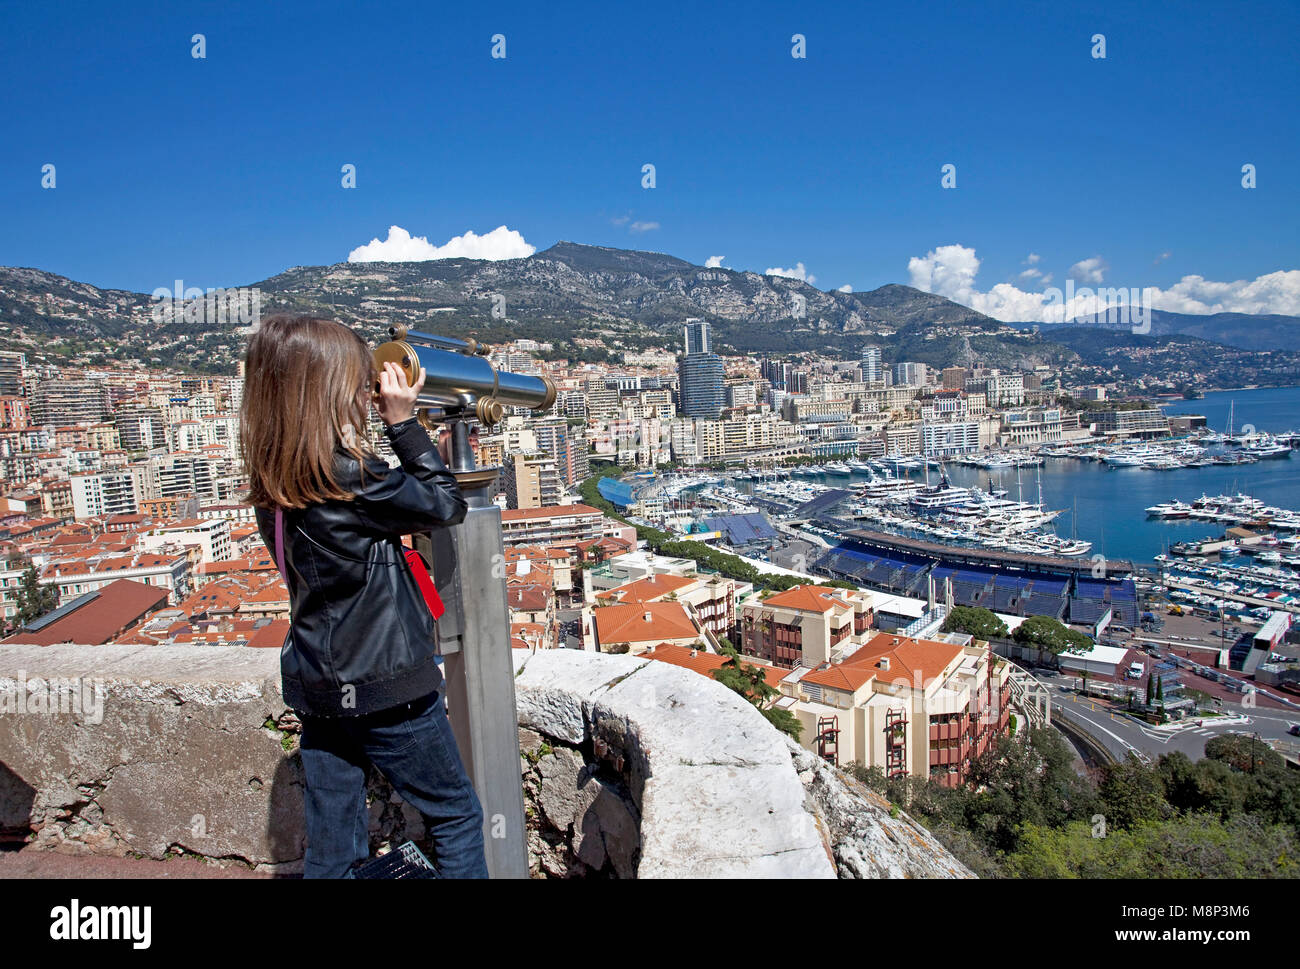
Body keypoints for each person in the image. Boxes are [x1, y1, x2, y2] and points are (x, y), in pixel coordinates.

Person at [239, 313, 487, 878]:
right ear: (329, 389)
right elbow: (445, 503)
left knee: (334, 841)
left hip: (318, 684)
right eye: (356, 378)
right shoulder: (349, 478)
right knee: (455, 815)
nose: (365, 388)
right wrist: (404, 424)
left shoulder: (273, 481)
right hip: (385, 686)